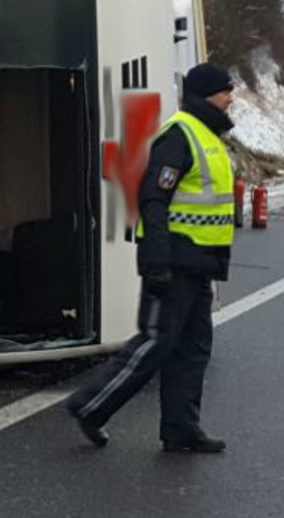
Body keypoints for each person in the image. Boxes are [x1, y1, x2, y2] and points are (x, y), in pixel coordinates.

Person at [67, 62, 237, 453]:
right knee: (154, 343)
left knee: (192, 350)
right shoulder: (178, 136)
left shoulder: (207, 135)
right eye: (225, 91)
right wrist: (156, 262)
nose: (231, 99)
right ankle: (89, 406)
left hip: (198, 264)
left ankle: (181, 429)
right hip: (174, 263)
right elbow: (153, 201)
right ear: (206, 95)